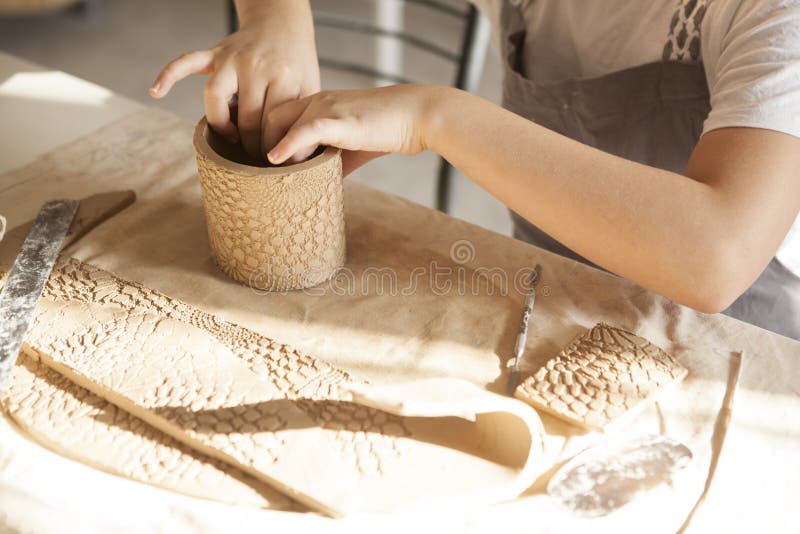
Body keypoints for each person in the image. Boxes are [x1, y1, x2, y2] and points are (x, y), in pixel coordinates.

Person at [150, 0, 800, 340]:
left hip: (738, 349)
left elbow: (715, 256)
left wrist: (435, 117)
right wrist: (274, 17)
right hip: (557, 306)